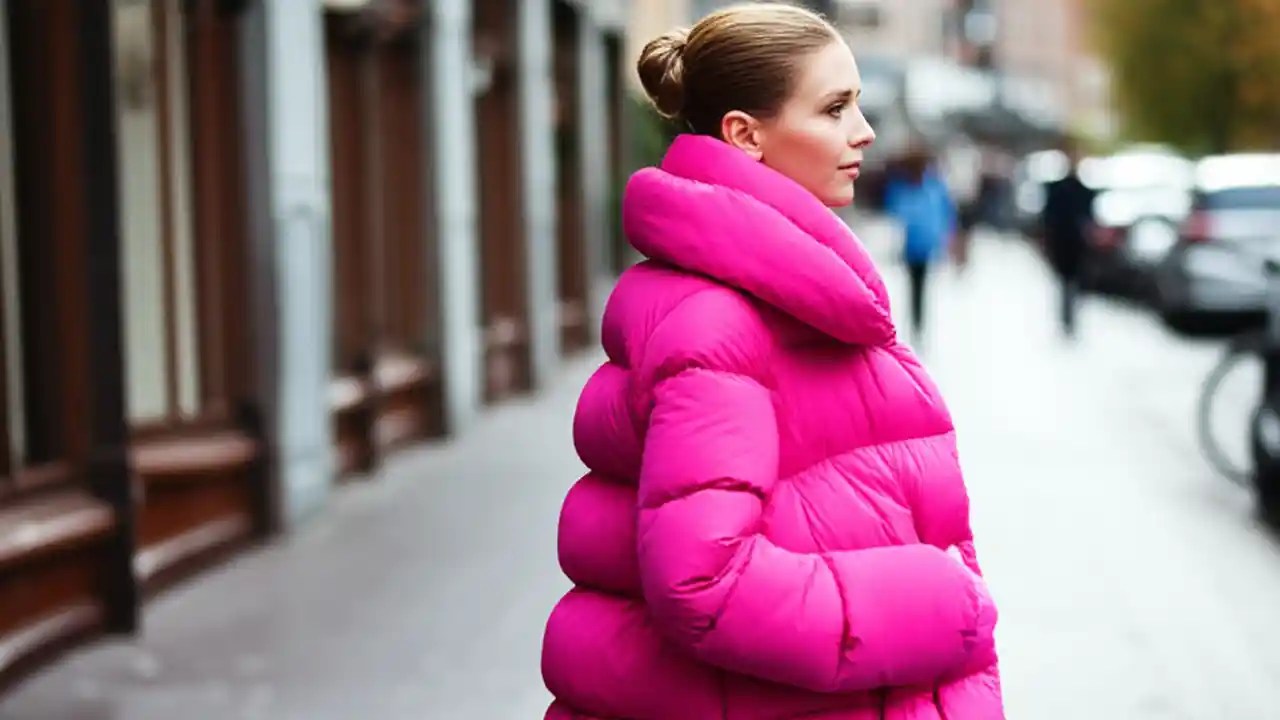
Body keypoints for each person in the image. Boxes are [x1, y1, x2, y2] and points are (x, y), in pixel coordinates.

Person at [541, 5, 1003, 719]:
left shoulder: (800, 300)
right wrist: (940, 599)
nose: (864, 131)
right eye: (834, 109)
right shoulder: (720, 323)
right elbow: (703, 582)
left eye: (858, 104)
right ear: (744, 135)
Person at [884, 143, 957, 342]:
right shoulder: (905, 186)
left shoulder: (932, 185)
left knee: (919, 285)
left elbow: (946, 213)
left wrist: (946, 236)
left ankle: (918, 324)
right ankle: (917, 323)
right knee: (915, 285)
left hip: (924, 244)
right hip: (912, 245)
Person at [1040, 138, 1097, 337]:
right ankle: (1066, 318)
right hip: (1062, 241)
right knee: (1065, 282)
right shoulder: (1057, 189)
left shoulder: (1085, 191)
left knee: (1074, 282)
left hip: (1077, 243)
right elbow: (1048, 217)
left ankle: (1071, 318)